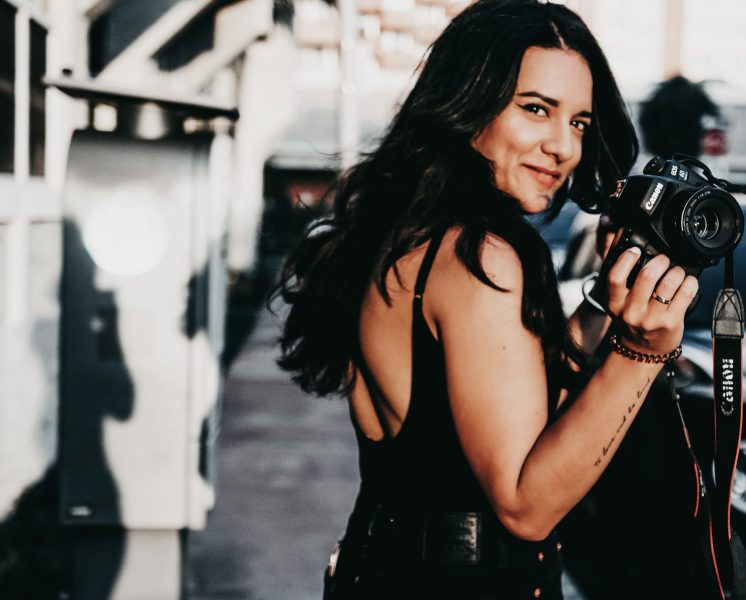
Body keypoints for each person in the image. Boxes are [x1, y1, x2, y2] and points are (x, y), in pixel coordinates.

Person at [276, 1, 699, 597]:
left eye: (579, 122)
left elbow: (516, 394)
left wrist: (606, 300)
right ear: (468, 103)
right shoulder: (481, 257)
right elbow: (526, 507)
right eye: (536, 109)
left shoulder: (407, 234)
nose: (563, 146)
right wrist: (643, 352)